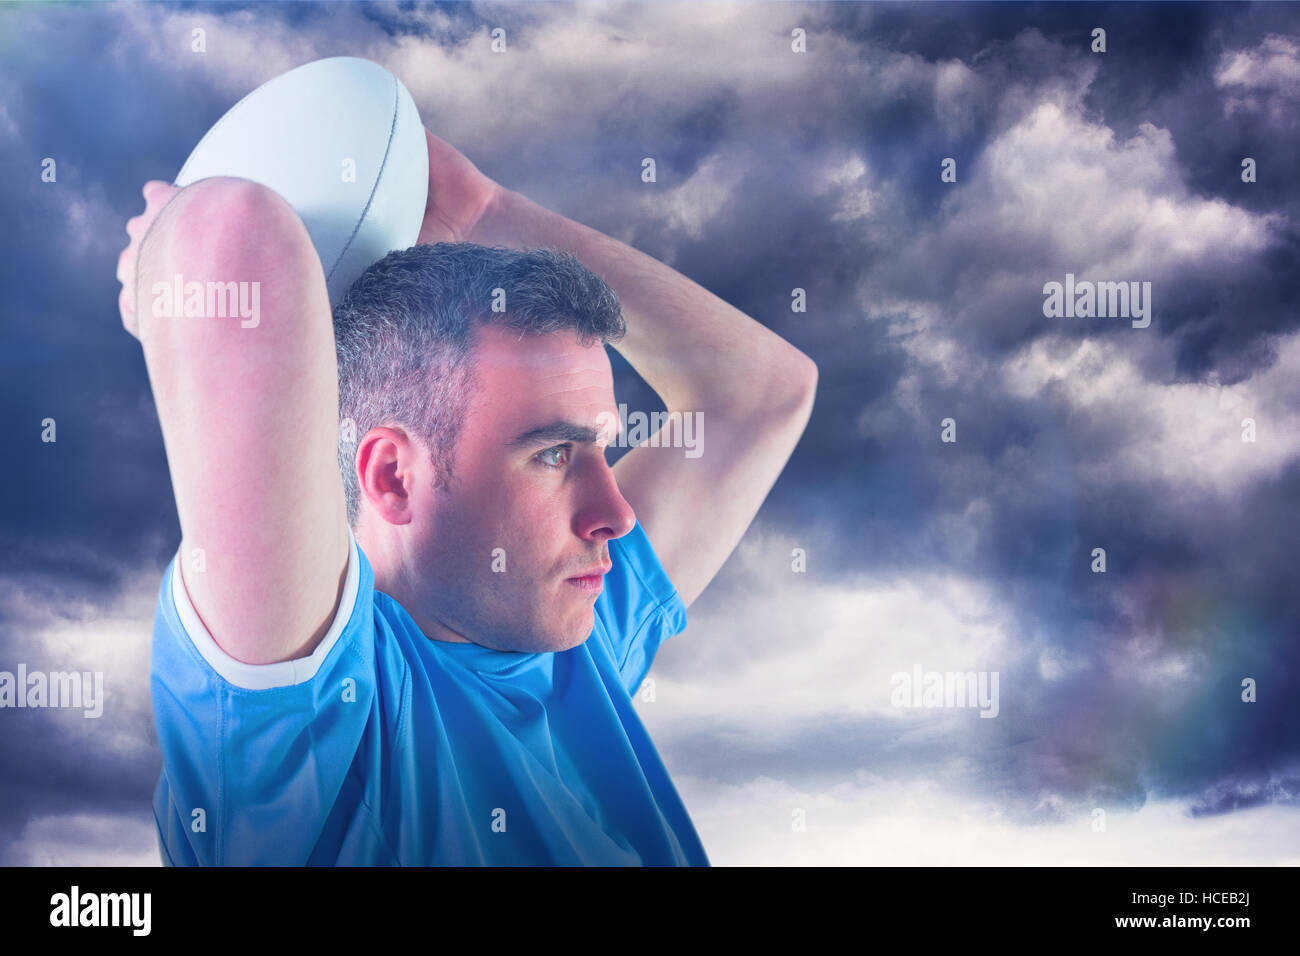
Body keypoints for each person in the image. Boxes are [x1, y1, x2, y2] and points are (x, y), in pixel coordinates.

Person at [118, 128, 817, 865]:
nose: (615, 514)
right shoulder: (327, 730)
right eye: (552, 453)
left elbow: (764, 393)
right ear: (392, 477)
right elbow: (232, 236)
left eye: (600, 450)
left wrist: (483, 211)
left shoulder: (575, 641)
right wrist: (177, 261)